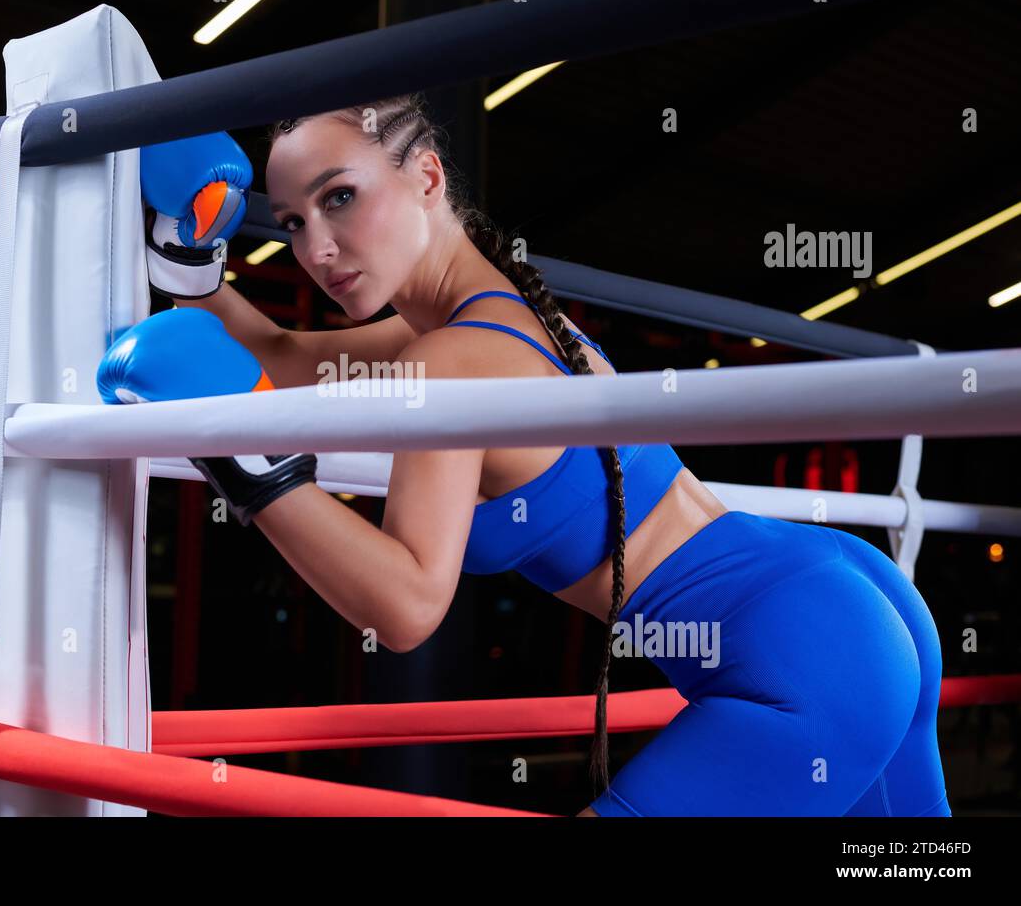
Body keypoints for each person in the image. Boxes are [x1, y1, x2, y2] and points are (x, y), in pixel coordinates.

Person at [103, 93, 950, 817]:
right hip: (847, 595)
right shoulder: (505, 316)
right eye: (291, 221)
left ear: (427, 176)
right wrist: (191, 256)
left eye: (340, 198)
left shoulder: (448, 360)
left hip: (802, 653)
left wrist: (242, 457)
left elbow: (404, 607)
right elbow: (285, 359)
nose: (316, 248)